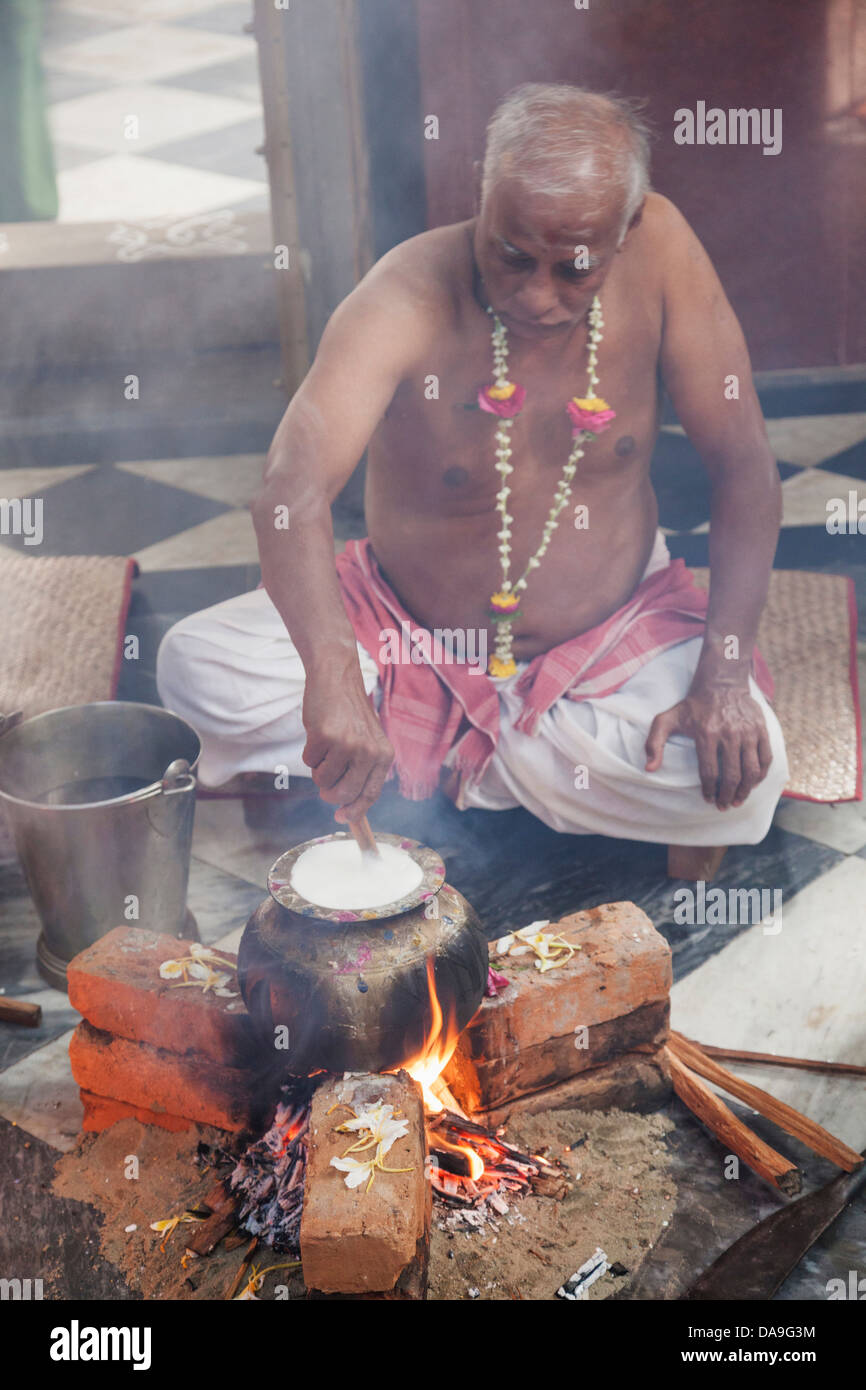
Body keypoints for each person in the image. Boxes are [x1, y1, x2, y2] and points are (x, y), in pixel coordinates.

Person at [157, 84, 788, 864]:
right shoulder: (406, 292)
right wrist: (333, 677)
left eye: (574, 270)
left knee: (751, 773)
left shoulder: (662, 253)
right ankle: (508, 767)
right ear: (482, 199)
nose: (537, 296)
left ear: (626, 231)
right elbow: (289, 494)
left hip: (610, 638)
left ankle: (421, 766)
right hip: (398, 637)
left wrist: (721, 681)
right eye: (512, 256)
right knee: (199, 667)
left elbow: (746, 469)